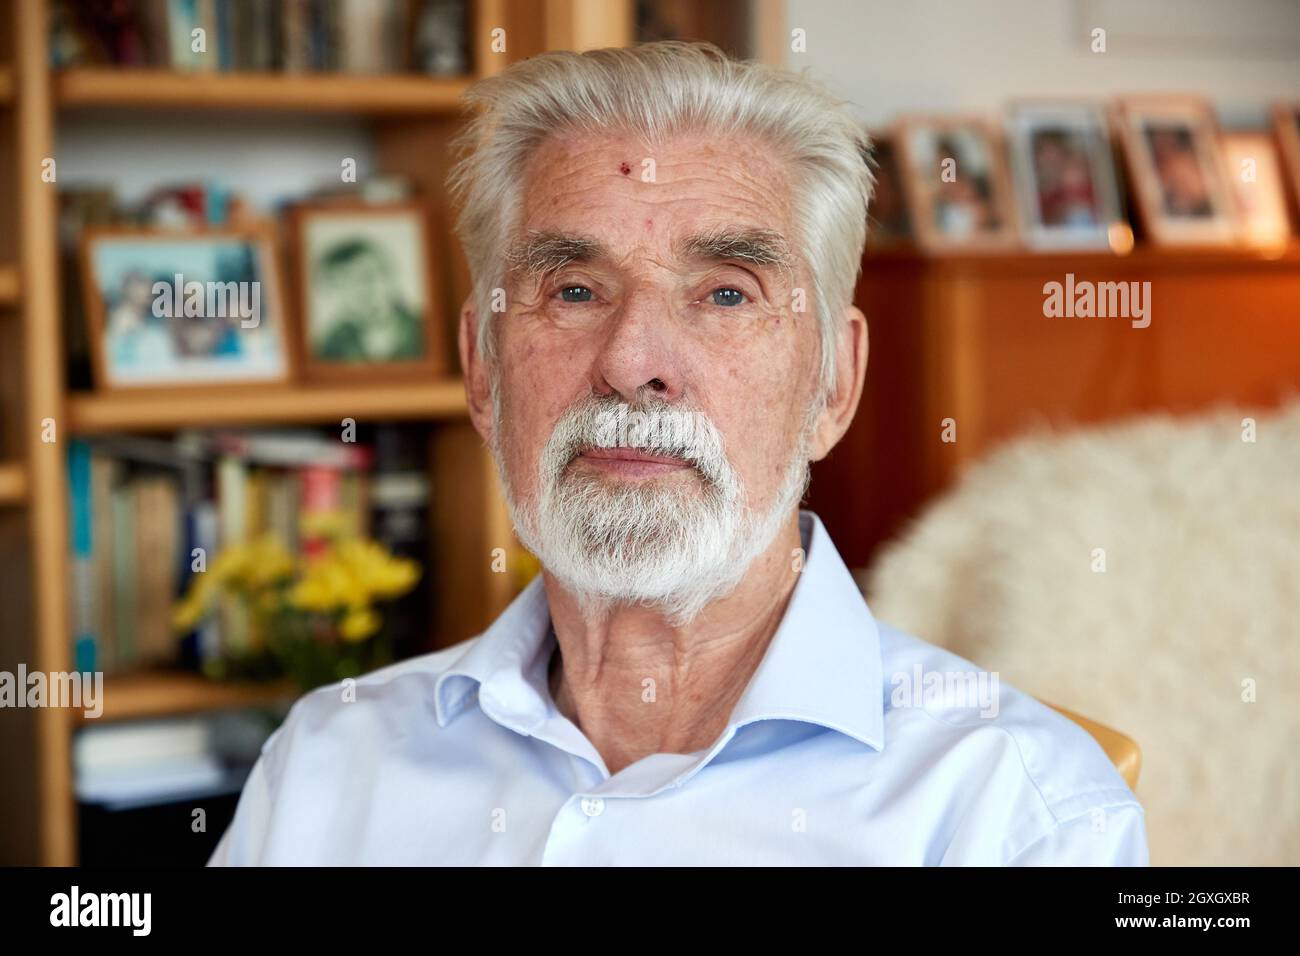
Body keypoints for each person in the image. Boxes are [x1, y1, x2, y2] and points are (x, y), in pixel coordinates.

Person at [210, 41, 1148, 866]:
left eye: (727, 294)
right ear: (483, 372)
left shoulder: (1020, 819)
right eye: (574, 289)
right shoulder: (328, 764)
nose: (632, 364)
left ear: (833, 382)